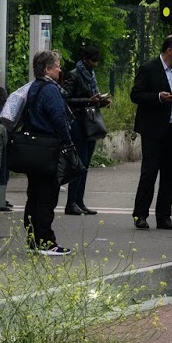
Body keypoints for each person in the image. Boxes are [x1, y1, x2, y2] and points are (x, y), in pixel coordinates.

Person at [131, 35, 172, 230]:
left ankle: (164, 216)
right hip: (154, 130)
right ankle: (140, 215)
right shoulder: (149, 68)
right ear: (169, 50)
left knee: (170, 175)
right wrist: (158, 97)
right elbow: (136, 95)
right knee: (149, 173)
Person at [22, 50, 75, 254]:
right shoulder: (51, 90)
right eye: (57, 66)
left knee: (34, 194)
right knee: (47, 195)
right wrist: (68, 144)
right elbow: (58, 118)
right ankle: (46, 241)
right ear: (46, 69)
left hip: (33, 148)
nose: (60, 70)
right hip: (49, 148)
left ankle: (33, 239)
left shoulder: (33, 87)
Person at [61, 45, 111, 216]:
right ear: (85, 59)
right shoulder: (74, 75)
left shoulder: (91, 75)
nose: (95, 64)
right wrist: (88, 101)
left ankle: (79, 201)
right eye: (93, 61)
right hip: (78, 123)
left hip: (90, 122)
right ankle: (71, 202)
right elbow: (66, 99)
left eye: (97, 61)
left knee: (86, 164)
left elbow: (90, 99)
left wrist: (100, 102)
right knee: (79, 162)